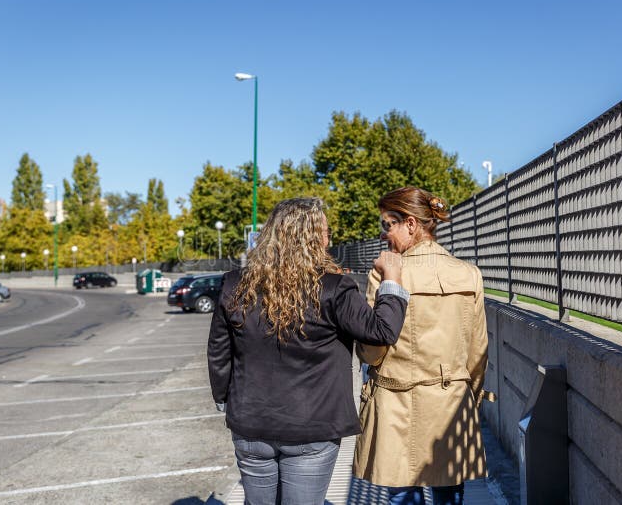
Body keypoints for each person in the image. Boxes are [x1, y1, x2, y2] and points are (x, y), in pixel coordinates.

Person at [207, 197, 409, 505]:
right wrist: (392, 280)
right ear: (313, 238)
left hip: (251, 423)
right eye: (325, 231)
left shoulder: (235, 284)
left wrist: (224, 399)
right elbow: (381, 331)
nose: (330, 238)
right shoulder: (334, 288)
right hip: (312, 427)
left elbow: (219, 351)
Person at [353, 186, 490, 505]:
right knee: (449, 495)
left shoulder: (386, 274)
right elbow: (478, 352)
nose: (386, 235)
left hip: (396, 407)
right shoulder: (469, 275)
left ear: (411, 224)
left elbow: (374, 348)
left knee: (402, 494)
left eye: (389, 225)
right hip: (451, 404)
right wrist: (469, 395)